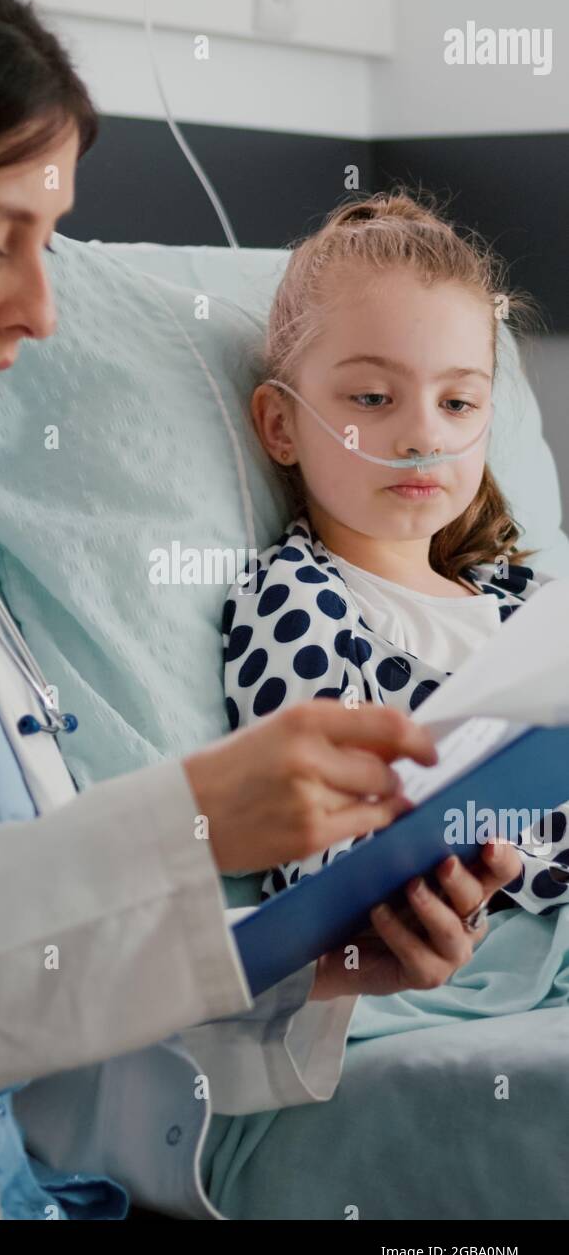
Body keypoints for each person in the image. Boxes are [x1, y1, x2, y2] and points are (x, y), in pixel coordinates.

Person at [0, 0, 520, 1221]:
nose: (42, 311)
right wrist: (188, 824)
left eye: (50, 244)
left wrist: (310, 964)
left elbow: (19, 1027)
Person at [225, 190, 568, 917]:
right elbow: (317, 866)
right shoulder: (298, 605)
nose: (422, 438)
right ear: (279, 424)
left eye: (456, 403)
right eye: (373, 399)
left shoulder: (527, 602)